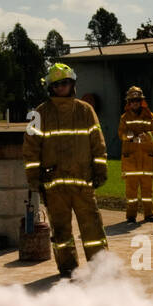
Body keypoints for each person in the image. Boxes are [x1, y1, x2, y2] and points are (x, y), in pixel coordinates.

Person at [24, 63, 108, 277]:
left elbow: (97, 143)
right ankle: (68, 268)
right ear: (50, 87)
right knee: (61, 233)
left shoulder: (85, 110)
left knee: (93, 231)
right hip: (54, 187)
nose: (62, 87)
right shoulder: (38, 114)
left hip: (83, 184)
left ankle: (101, 269)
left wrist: (100, 169)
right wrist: (33, 178)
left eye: (66, 83)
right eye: (57, 84)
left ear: (73, 84)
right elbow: (31, 150)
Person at [118, 86, 153, 225]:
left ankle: (149, 214)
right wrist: (128, 136)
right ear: (128, 103)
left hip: (146, 160)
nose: (135, 103)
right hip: (131, 160)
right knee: (131, 192)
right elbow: (121, 133)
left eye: (137, 100)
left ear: (141, 101)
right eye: (132, 100)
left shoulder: (150, 116)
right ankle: (131, 216)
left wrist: (146, 136)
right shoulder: (124, 118)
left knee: (147, 191)